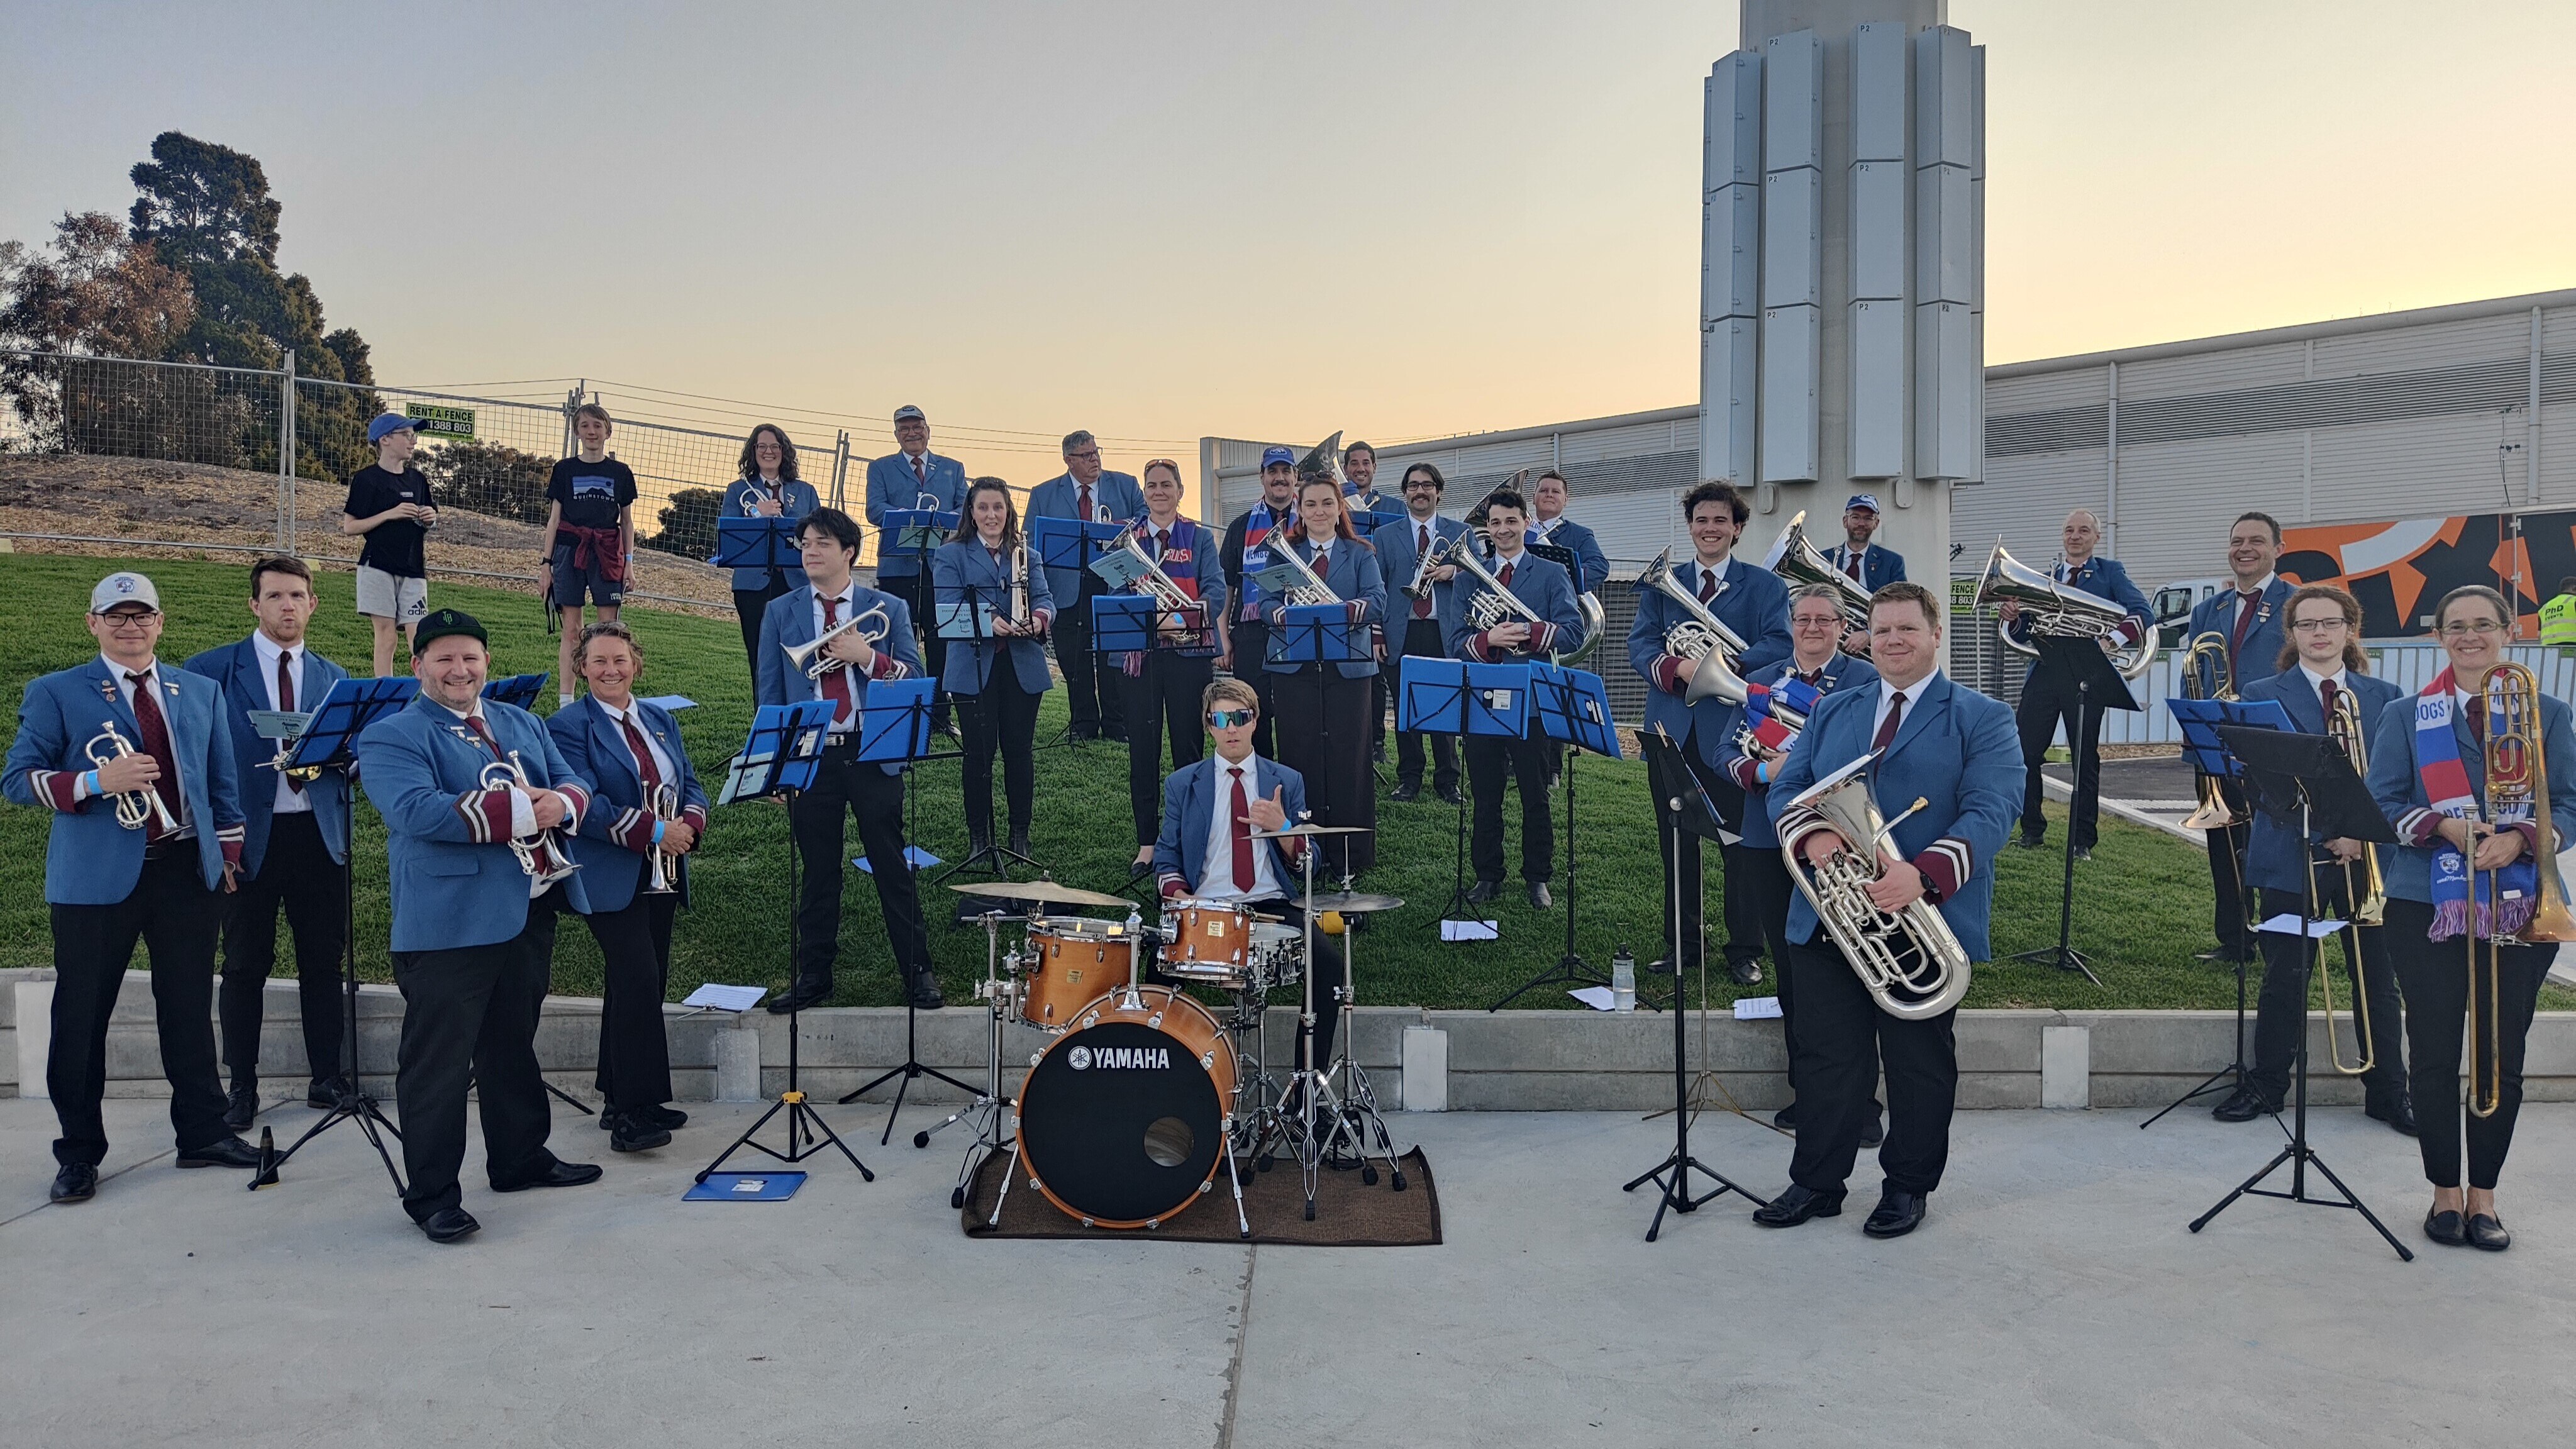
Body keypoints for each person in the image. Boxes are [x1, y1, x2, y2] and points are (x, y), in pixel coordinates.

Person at [1754, 582, 2019, 1240]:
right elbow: (1790, 787)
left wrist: (1923, 875)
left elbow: (1993, 808)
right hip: (1832, 913)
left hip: (1922, 914)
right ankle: (1817, 1183)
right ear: (1865, 639)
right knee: (1825, 1058)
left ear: (1935, 636)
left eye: (1906, 629)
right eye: (1881, 631)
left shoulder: (1982, 717)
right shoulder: (1834, 708)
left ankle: (1906, 1187)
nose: (1893, 641)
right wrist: (1811, 836)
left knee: (1917, 1064)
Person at [5, 571, 260, 1204]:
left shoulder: (197, 690)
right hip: (95, 880)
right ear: (93, 623)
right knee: (82, 1017)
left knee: (189, 1010)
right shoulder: (56, 691)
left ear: (160, 622)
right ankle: (78, 1153)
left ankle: (202, 1133)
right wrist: (98, 781)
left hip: (184, 869)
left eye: (141, 614)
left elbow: (222, 784)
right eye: (115, 615)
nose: (130, 626)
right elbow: (17, 780)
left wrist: (228, 856)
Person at [357, 608, 601, 1243]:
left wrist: (563, 802)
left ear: (487, 662)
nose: (459, 669)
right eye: (443, 659)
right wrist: (525, 809)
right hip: (450, 922)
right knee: (437, 1064)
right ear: (418, 666)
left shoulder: (522, 722)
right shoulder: (392, 735)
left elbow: (574, 780)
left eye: (469, 657)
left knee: (512, 1044)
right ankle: (432, 1196)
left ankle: (519, 1158)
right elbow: (418, 811)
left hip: (526, 908)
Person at [2367, 584, 2576, 1253]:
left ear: (2508, 632)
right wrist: (2445, 828)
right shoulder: (2404, 715)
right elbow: (2382, 802)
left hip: (2521, 904)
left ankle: (2484, 1196)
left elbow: (2570, 804)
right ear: (2437, 637)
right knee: (2432, 1054)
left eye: (2484, 624)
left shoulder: (2548, 713)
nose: (2470, 636)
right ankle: (2444, 1194)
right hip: (2424, 905)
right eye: (2455, 626)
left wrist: (2520, 839)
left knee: (2501, 1057)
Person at [2213, 584, 2411, 1130]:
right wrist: (2328, 829)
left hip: (2366, 858)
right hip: (2289, 852)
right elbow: (2259, 782)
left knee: (2378, 980)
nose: (2319, 633)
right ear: (2292, 634)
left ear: (2351, 630)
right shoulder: (2261, 693)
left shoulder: (2386, 695)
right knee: (2285, 975)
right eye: (2307, 624)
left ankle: (2390, 1092)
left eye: (2330, 623)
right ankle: (2268, 1085)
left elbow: (2395, 778)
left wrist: (2360, 835)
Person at [182, 557, 355, 1130]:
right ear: (254, 604)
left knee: (324, 962)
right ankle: (242, 1087)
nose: (288, 606)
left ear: (313, 604)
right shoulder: (212, 672)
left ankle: (327, 1077)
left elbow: (349, 759)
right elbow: (194, 766)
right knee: (244, 964)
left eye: (297, 596)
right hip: (248, 837)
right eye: (276, 596)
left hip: (317, 835)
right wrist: (217, 845)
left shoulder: (334, 678)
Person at [757, 508, 938, 1013]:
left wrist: (868, 658)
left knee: (891, 865)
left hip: (872, 750)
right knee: (818, 872)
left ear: (849, 552)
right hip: (812, 754)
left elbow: (915, 676)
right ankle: (814, 975)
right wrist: (777, 764)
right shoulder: (780, 611)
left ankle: (918, 971)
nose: (810, 552)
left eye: (822, 543)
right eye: (805, 544)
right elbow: (769, 692)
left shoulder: (888, 607)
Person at [545, 621, 707, 1154]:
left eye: (619, 660)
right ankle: (633, 1116)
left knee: (641, 981)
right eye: (598, 661)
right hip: (608, 870)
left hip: (663, 868)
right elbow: (585, 804)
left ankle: (619, 1096)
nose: (610, 670)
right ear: (581, 667)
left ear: (636, 663)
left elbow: (689, 781)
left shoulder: (658, 718)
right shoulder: (568, 726)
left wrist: (689, 826)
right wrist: (656, 831)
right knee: (637, 978)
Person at [1723, 585, 1877, 1136]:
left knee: (1854, 967)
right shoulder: (1762, 678)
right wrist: (1767, 771)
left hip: (1841, 839)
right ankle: (1807, 1094)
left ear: (1842, 626)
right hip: (1770, 840)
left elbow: (1872, 753)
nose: (1812, 628)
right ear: (1790, 625)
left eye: (1824, 620)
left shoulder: (1864, 679)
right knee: (1791, 971)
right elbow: (1725, 751)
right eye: (1803, 619)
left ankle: (1860, 1106)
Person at [1625, 480, 1791, 983]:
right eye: (1701, 520)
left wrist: (1724, 665)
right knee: (1676, 843)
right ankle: (1684, 946)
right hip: (1671, 730)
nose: (1710, 528)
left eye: (1721, 520)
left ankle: (1745, 950)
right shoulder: (1663, 584)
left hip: (1735, 734)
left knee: (1741, 844)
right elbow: (1641, 645)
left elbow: (1779, 643)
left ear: (1737, 529)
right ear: (1690, 526)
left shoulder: (1764, 586)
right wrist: (1678, 667)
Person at [1152, 677, 1347, 1073]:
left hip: (1271, 904)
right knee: (1157, 971)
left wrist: (1283, 828)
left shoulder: (1285, 781)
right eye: (1221, 719)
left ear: (1255, 721)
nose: (1232, 728)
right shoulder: (1182, 784)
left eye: (1240, 718)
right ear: (1209, 726)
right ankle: (1165, 1083)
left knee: (1328, 965)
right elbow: (1166, 857)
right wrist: (1181, 898)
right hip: (1207, 906)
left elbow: (1311, 864)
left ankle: (1306, 1087)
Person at [1450, 488, 1584, 909]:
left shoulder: (1551, 574)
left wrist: (1527, 632)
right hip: (1483, 699)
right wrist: (1489, 639)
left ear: (1526, 522)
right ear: (1487, 529)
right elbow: (1454, 641)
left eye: (1511, 521)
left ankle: (1537, 877)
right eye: (1495, 523)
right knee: (1485, 793)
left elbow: (1574, 632)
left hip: (1532, 700)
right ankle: (1487, 874)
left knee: (1535, 792)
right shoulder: (1469, 576)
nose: (1503, 530)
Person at [1256, 472, 1385, 879]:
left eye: (1327, 503)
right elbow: (1265, 603)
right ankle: (1303, 851)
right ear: (1299, 509)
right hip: (1294, 666)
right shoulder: (1282, 553)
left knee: (1351, 757)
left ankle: (1351, 852)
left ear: (1339, 507)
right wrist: (1282, 614)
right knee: (1300, 754)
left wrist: (1335, 612)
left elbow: (1378, 600)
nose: (1319, 511)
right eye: (1310, 504)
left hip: (1348, 666)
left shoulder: (1361, 552)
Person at [2002, 508, 2150, 863]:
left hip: (2085, 673)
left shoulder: (2110, 572)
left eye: (2084, 530)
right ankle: (2031, 830)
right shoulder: (2046, 577)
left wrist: (2109, 641)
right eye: (2069, 530)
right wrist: (2014, 618)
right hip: (2044, 672)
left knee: (2084, 760)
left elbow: (2143, 613)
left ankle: (2082, 840)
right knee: (2024, 754)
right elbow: (2026, 633)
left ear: (2096, 537)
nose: (2075, 536)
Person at [2180, 511, 2296, 960]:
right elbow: (2194, 676)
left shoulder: (2296, 604)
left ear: (2278, 549)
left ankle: (2277, 939)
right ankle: (2235, 938)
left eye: (2256, 541)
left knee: (2274, 845)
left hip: (2272, 742)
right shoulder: (2208, 611)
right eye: (2237, 542)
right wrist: (2195, 734)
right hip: (2217, 745)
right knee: (2224, 844)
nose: (2245, 549)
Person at [931, 479, 1056, 861]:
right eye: (983, 508)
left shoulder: (1027, 554)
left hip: (1022, 667)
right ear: (971, 513)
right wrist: (989, 624)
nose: (991, 515)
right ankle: (979, 840)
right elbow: (946, 611)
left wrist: (1039, 618)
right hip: (973, 667)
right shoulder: (950, 554)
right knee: (978, 755)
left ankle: (1020, 836)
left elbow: (1045, 599)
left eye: (998, 507)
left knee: (1019, 753)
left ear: (1008, 511)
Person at [1116, 459, 1228, 869]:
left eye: (1167, 485)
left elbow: (1215, 588)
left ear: (1181, 491)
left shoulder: (1199, 537)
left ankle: (1190, 837)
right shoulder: (1128, 538)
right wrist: (1155, 621)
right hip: (1141, 657)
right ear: (1144, 493)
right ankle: (1147, 843)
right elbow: (1116, 588)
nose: (1159, 491)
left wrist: (1178, 620)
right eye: (1152, 485)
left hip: (1189, 655)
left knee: (1189, 749)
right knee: (1142, 753)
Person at [1026, 430, 1143, 742]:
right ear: (1069, 461)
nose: (1095, 460)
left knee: (1111, 655)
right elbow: (1030, 541)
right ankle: (1083, 722)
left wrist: (1118, 527)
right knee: (1072, 657)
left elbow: (1146, 519)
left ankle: (1116, 723)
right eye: (1086, 456)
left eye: (1096, 452)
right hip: (1066, 587)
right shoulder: (1043, 494)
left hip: (1113, 583)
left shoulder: (1126, 484)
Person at [864, 404, 969, 738]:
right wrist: (908, 516)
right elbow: (874, 508)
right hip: (897, 568)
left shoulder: (953, 468)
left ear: (928, 430)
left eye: (917, 427)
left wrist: (944, 522)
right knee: (896, 641)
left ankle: (939, 715)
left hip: (942, 570)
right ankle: (898, 712)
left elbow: (965, 507)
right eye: (905, 428)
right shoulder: (880, 467)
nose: (912, 433)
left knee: (941, 644)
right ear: (896, 435)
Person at [1372, 462, 1468, 805]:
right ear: (1405, 494)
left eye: (1427, 485)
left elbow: (1480, 577)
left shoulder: (1461, 532)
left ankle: (1448, 779)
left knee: (1446, 706)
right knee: (1405, 709)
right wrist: (1377, 634)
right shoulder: (1385, 535)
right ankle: (1409, 778)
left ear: (1439, 492)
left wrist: (1453, 572)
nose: (1420, 491)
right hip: (1402, 631)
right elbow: (1377, 588)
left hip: (1445, 632)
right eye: (1413, 486)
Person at [540, 403, 637, 708]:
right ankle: (566, 701)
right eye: (585, 426)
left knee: (608, 631)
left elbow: (627, 522)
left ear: (608, 432)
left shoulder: (620, 473)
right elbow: (554, 520)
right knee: (572, 630)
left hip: (607, 552)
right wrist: (546, 564)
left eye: (597, 426)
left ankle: (606, 698)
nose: (591, 432)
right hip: (570, 551)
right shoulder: (564, 470)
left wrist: (629, 564)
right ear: (577, 432)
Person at [723, 423, 823, 680]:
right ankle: (763, 707)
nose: (769, 452)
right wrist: (759, 514)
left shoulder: (806, 492)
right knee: (759, 658)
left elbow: (820, 535)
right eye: (762, 446)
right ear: (753, 451)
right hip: (752, 586)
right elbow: (729, 535)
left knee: (797, 660)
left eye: (775, 446)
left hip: (796, 584)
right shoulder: (737, 490)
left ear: (784, 451)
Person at [341, 413, 438, 677]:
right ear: (385, 439)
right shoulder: (367, 479)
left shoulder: (417, 480)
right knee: (387, 637)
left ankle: (429, 693)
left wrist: (431, 519)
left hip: (413, 569)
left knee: (419, 638)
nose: (413, 441)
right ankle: (385, 694)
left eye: (414, 436)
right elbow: (350, 527)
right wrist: (389, 514)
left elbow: (428, 519)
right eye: (407, 435)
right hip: (377, 567)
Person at [1219, 446, 1301, 759]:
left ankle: (1293, 775)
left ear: (1295, 477)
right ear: (1262, 477)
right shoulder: (1240, 526)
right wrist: (1223, 637)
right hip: (1251, 631)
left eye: (1286, 471)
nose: (1280, 478)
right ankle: (1261, 772)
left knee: (1295, 710)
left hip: (1296, 628)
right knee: (1254, 712)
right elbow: (1227, 585)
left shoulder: (1310, 520)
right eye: (1273, 472)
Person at [1826, 493, 1906, 591]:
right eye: (1855, 517)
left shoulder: (1892, 562)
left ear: (1876, 524)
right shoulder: (1824, 559)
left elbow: (1901, 598)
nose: (1861, 524)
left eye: (1868, 518)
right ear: (1845, 521)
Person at [2541, 575, 2576, 655]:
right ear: (2574, 589)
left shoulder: (2545, 607)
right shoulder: (2574, 601)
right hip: (2572, 649)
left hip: (2549, 652)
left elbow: (2539, 634)